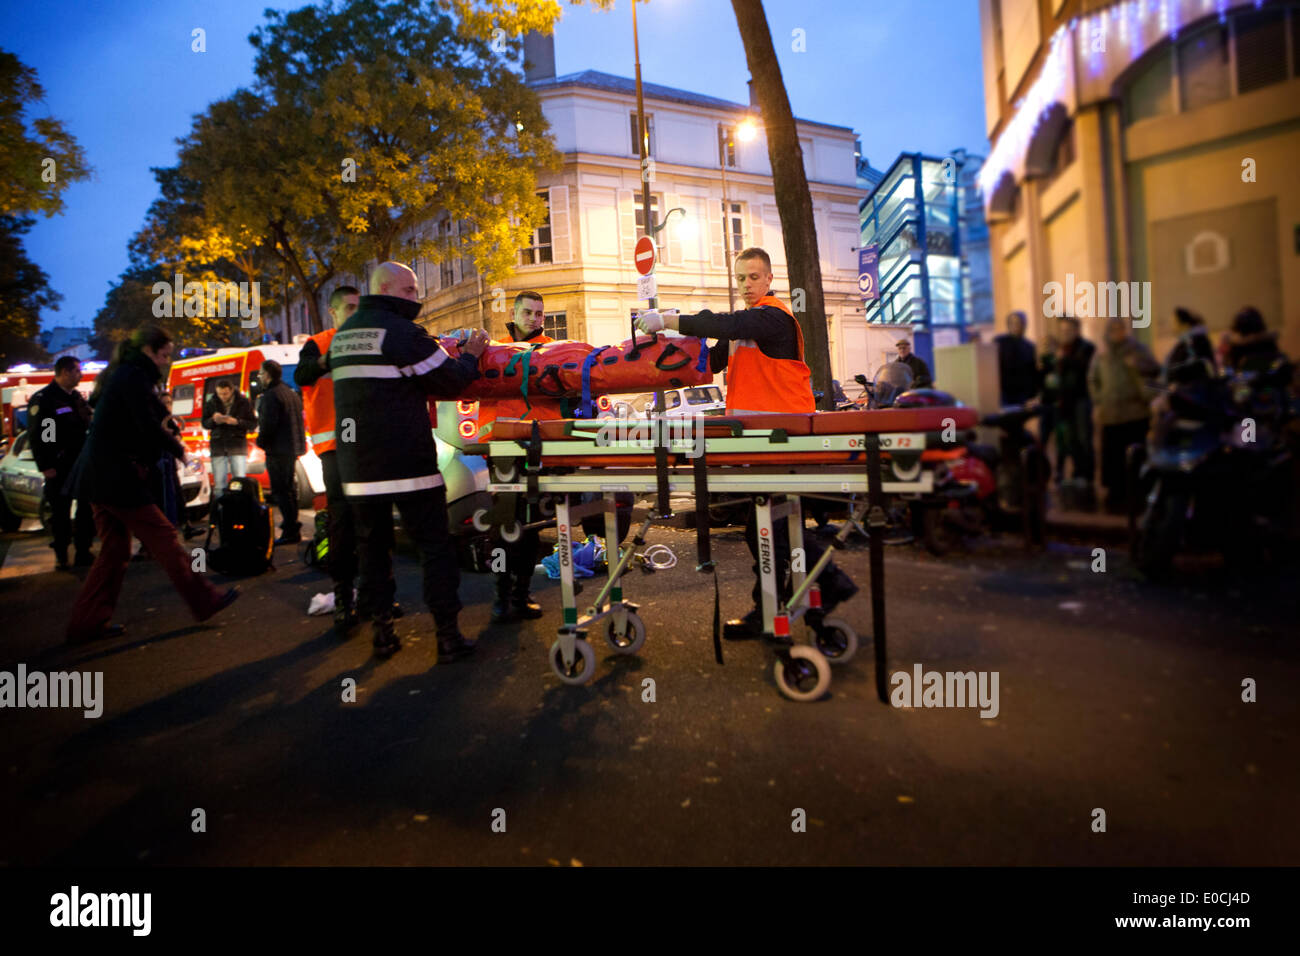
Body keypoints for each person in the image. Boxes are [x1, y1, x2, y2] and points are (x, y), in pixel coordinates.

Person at [635, 246, 858, 640]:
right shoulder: (745, 331)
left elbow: (732, 324)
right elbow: (708, 362)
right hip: (759, 443)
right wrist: (661, 353)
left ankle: (810, 592)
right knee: (765, 527)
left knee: (771, 525)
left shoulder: (773, 317)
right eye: (740, 279)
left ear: (770, 279)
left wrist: (671, 319)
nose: (746, 285)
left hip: (784, 440)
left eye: (754, 277)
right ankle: (790, 603)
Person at [330, 261, 488, 661]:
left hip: (359, 471)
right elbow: (450, 379)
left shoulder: (345, 335)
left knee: (373, 550)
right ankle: (448, 636)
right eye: (411, 291)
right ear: (388, 289)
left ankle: (383, 633)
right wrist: (470, 354)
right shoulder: (402, 332)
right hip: (407, 465)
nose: (417, 298)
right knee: (435, 549)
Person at [64, 326, 239, 643]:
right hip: (116, 476)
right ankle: (204, 600)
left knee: (114, 552)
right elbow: (147, 424)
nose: (166, 361)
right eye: (164, 354)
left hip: (98, 475)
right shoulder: (134, 377)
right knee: (164, 538)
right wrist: (180, 450)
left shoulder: (123, 376)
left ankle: (86, 624)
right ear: (148, 350)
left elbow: (144, 416)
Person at [295, 285, 368, 634]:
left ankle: (373, 595)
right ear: (334, 312)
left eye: (360, 306)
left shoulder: (371, 340)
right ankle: (343, 600)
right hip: (336, 447)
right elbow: (302, 374)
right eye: (349, 308)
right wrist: (330, 358)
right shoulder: (319, 342)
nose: (356, 313)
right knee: (342, 522)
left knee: (372, 521)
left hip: (369, 446)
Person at [480, 291, 553, 624]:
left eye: (539, 314)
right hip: (503, 449)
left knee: (533, 528)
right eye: (528, 312)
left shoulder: (552, 349)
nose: (534, 319)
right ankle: (499, 591)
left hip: (539, 448)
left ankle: (522, 592)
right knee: (502, 528)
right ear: (514, 312)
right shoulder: (494, 350)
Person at [28, 356, 95, 569]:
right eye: (77, 371)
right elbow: (43, 436)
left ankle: (83, 551)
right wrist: (47, 464)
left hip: (81, 463)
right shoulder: (47, 399)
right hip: (60, 465)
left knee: (86, 510)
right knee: (60, 512)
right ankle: (62, 554)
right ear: (65, 372)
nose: (80, 375)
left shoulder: (76, 398)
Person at [1089, 317, 1159, 513]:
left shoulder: (1137, 349)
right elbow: (1093, 378)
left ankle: (1138, 492)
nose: (1118, 332)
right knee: (1113, 457)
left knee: (1135, 454)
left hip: (1135, 413)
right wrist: (1099, 399)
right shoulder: (1101, 354)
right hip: (1111, 414)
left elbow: (1155, 368)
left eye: (1121, 328)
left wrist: (1137, 363)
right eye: (1114, 329)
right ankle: (1115, 493)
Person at [255, 360, 306, 545]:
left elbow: (268, 424)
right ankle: (293, 527)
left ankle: (290, 529)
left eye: (261, 373)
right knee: (290, 489)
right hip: (291, 447)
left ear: (267, 375)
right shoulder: (290, 393)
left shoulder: (270, 396)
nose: (260, 377)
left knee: (281, 491)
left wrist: (260, 441)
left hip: (278, 449)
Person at [1054, 317, 1096, 493]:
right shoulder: (1060, 349)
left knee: (1084, 438)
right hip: (1065, 401)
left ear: (1077, 330)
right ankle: (1077, 473)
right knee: (1070, 439)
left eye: (1069, 330)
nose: (1065, 334)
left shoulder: (1087, 348)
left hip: (1081, 399)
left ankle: (1087, 476)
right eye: (1062, 331)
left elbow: (1084, 367)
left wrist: (1063, 359)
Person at [202, 378, 257, 492]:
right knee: (219, 484)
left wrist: (237, 422)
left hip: (237, 445)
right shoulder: (211, 402)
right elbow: (204, 423)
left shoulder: (243, 402)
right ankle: (222, 508)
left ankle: (238, 507)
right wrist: (213, 420)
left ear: (232, 390)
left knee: (238, 482)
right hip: (218, 446)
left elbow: (253, 423)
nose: (223, 396)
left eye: (225, 393)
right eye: (220, 394)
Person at [994, 311, 1039, 406]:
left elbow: (1032, 371)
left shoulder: (1029, 346)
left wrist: (1033, 394)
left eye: (1020, 323)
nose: (1017, 326)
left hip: (1023, 393)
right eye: (1013, 323)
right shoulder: (999, 343)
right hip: (1004, 392)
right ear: (1008, 325)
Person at [1224, 306, 1287, 374]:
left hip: (1248, 379)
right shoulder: (1268, 340)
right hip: (1270, 377)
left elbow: (1230, 368)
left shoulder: (1235, 345)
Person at [1163, 307, 1215, 381]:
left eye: (1174, 322)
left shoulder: (1194, 341)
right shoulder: (1187, 341)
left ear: (1185, 324)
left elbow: (1192, 368)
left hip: (1191, 389)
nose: (1172, 326)